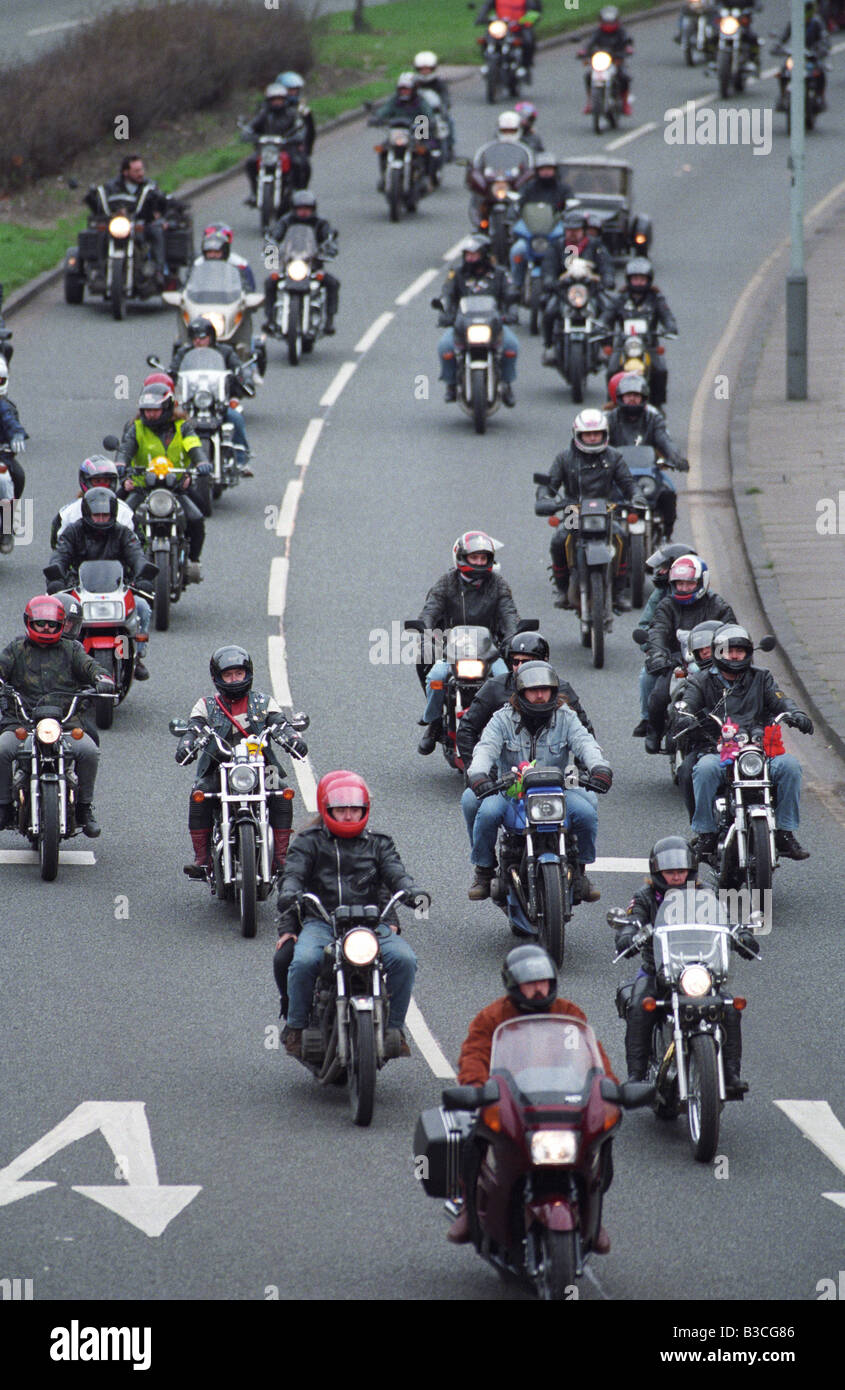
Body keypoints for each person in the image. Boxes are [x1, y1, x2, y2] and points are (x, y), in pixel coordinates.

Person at [447, 944, 616, 1247]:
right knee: (471, 1136)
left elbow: (593, 1057)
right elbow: (474, 1056)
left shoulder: (569, 1013)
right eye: (530, 983)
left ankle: (593, 1212)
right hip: (512, 1103)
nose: (539, 989)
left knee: (602, 1140)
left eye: (544, 982)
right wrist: (476, 1089)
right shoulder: (491, 1017)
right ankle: (469, 1206)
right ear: (514, 984)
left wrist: (608, 1091)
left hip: (562, 1103)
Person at [274, 770, 423, 1059]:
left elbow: (395, 874)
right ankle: (296, 1028)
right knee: (303, 961)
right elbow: (292, 876)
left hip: (369, 925)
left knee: (405, 959)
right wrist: (289, 895)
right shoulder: (308, 842)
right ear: (326, 809)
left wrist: (410, 891)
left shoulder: (379, 843)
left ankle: (394, 1030)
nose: (348, 815)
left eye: (354, 809)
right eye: (341, 809)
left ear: (365, 809)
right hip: (323, 922)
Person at [611, 837, 758, 1094]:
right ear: (657, 872)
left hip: (699, 970)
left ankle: (731, 1074)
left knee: (730, 1009)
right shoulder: (645, 897)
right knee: (639, 1007)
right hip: (658, 971)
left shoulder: (705, 894)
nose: (677, 877)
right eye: (670, 872)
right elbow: (630, 923)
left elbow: (724, 919)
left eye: (681, 871)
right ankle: (636, 1077)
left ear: (691, 871)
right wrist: (630, 935)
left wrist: (740, 934)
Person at [465, 660, 612, 903]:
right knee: (488, 813)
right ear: (521, 692)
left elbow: (586, 743)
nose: (540, 695)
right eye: (533, 690)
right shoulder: (501, 719)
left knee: (586, 813)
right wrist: (479, 774)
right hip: (512, 792)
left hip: (559, 789)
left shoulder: (566, 717)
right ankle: (483, 871)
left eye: (545, 689)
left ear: (554, 691)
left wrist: (600, 767)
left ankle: (580, 873)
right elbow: (485, 749)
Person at [674, 624, 814, 860]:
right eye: (729, 651)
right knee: (704, 770)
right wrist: (684, 717)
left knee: (790, 766)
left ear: (748, 652)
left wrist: (795, 714)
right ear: (718, 652)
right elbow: (687, 704)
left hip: (758, 750)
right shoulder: (700, 680)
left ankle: (785, 833)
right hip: (716, 749)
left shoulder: (762, 677)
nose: (735, 655)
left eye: (740, 650)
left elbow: (781, 700)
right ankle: (706, 833)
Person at [174, 645, 306, 878]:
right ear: (218, 678)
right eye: (228, 674)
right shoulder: (206, 705)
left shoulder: (264, 702)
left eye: (238, 674)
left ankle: (280, 858)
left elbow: (280, 723)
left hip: (262, 767)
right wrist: (187, 744)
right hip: (220, 768)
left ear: (248, 674)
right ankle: (202, 859)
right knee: (200, 794)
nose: (234, 679)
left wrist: (292, 738)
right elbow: (193, 728)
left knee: (283, 792)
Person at [0, 594, 114, 835]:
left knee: (89, 751)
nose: (46, 627)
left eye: (51, 623)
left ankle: (84, 807)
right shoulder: (16, 648)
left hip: (64, 721)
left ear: (61, 624)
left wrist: (101, 678)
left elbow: (91, 666)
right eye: (41, 623)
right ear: (29, 621)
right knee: (2, 749)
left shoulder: (71, 649)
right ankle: (3, 807)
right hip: (21, 721)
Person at [416, 530, 520, 753]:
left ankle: (510, 730)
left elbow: (509, 614)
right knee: (435, 676)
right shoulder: (446, 583)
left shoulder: (498, 584)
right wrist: (425, 631)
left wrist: (512, 638)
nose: (479, 563)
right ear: (461, 557)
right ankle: (434, 724)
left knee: (506, 682)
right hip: (452, 651)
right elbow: (430, 611)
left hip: (489, 652)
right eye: (475, 558)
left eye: (483, 558)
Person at [535, 408, 645, 614]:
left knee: (621, 536)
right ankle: (561, 588)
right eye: (588, 434)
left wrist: (636, 497)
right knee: (559, 539)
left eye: (597, 434)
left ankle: (619, 592)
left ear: (604, 434)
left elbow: (629, 484)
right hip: (573, 512)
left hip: (606, 511)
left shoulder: (614, 457)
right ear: (578, 434)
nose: (592, 438)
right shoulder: (564, 458)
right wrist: (545, 498)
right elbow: (549, 485)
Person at [47, 488, 153, 681]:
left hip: (117, 589)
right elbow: (60, 555)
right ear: (87, 513)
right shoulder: (73, 532)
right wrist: (56, 578)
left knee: (142, 607)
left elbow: (136, 554)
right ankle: (56, 658)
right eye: (97, 515)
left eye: (105, 515)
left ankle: (136, 656)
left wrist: (144, 575)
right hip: (80, 588)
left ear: (112, 514)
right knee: (55, 614)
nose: (101, 519)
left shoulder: (122, 532)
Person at [456, 630, 595, 772]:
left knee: (588, 796)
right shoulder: (494, 688)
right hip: (505, 782)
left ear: (544, 661)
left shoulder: (563, 689)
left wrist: (583, 772)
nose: (520, 666)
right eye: (516, 661)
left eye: (527, 661)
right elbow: (467, 729)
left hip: (553, 781)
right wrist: (479, 771)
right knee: (469, 795)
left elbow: (585, 734)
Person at [115, 380, 211, 581]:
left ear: (167, 407)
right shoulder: (136, 428)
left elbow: (195, 447)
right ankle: (120, 562)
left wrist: (201, 462)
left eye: (155, 410)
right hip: (143, 487)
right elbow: (126, 449)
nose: (150, 414)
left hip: (176, 487)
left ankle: (192, 561)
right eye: (146, 410)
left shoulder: (183, 427)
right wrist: (121, 464)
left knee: (197, 518)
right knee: (121, 520)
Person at [643, 554, 735, 752]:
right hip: (677, 664)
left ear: (701, 582)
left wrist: (729, 658)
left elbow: (732, 634)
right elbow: (657, 630)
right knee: (658, 696)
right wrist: (658, 655)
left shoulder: (719, 606)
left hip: (714, 665)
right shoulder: (667, 606)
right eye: (679, 583)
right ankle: (654, 731)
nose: (683, 588)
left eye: (689, 583)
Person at [605, 371, 689, 538]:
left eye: (636, 395)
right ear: (620, 397)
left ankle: (666, 535)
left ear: (644, 397)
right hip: (616, 475)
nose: (632, 399)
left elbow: (664, 440)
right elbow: (601, 444)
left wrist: (675, 458)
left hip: (647, 472)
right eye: (628, 395)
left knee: (668, 493)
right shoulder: (609, 419)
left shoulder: (653, 419)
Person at [436, 236, 519, 406]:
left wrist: (511, 312)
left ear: (484, 254)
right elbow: (447, 294)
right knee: (445, 347)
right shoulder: (457, 273)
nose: (470, 258)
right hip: (463, 325)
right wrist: (444, 311)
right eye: (467, 254)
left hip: (494, 325)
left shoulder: (500, 273)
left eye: (474, 255)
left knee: (511, 346)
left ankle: (506, 383)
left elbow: (511, 293)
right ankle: (451, 384)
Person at [168, 317, 253, 473]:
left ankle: (242, 460)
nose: (199, 342)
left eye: (203, 338)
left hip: (216, 402)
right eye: (195, 339)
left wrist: (240, 377)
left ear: (211, 337)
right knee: (170, 423)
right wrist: (169, 376)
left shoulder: (225, 352)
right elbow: (173, 371)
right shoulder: (183, 353)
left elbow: (238, 369)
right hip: (190, 402)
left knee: (236, 418)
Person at [632, 541, 699, 737]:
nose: (659, 572)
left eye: (663, 568)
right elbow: (645, 626)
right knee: (646, 676)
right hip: (667, 655)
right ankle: (648, 720)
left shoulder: (711, 601)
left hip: (698, 657)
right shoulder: (660, 596)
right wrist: (652, 648)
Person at [602, 258, 678, 409]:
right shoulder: (619, 299)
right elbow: (606, 318)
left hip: (649, 345)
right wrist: (604, 331)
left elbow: (667, 317)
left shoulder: (656, 299)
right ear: (629, 280)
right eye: (635, 279)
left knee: (660, 370)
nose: (638, 283)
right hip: (623, 346)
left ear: (648, 280)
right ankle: (611, 401)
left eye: (642, 279)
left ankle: (658, 404)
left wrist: (669, 328)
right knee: (611, 369)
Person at [540, 208, 615, 358]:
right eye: (569, 230)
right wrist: (550, 281)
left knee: (609, 308)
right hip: (564, 291)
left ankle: (605, 346)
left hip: (591, 289)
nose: (572, 233)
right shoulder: (557, 246)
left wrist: (607, 280)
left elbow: (606, 267)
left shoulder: (596, 246)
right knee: (549, 311)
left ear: (584, 230)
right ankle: (549, 345)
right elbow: (548, 268)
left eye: (577, 230)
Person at [263, 191, 340, 336]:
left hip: (313, 266)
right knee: (270, 281)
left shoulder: (320, 222)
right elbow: (274, 237)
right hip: (290, 264)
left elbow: (329, 239)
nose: (304, 212)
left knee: (332, 283)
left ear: (313, 209)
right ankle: (270, 320)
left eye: (307, 208)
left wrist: (329, 248)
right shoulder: (286, 221)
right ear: (294, 208)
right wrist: (270, 248)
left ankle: (329, 321)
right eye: (300, 208)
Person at [85, 154, 169, 278]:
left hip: (141, 223)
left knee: (156, 231)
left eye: (141, 169)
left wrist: (158, 214)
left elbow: (160, 201)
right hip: (117, 224)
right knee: (99, 234)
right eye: (136, 171)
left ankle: (159, 270)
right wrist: (92, 197)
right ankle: (98, 269)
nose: (141, 173)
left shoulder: (149, 186)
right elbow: (100, 200)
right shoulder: (111, 187)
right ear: (126, 172)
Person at [243, 83, 310, 204]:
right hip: (267, 150)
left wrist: (297, 136)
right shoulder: (264, 114)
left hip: (287, 148)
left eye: (279, 99)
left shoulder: (291, 114)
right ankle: (254, 192)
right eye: (274, 99)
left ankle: (298, 192)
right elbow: (251, 127)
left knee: (298, 163)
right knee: (250, 163)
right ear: (269, 101)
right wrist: (247, 133)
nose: (277, 102)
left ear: (284, 100)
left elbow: (300, 127)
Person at [367, 73, 436, 190]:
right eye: (402, 89)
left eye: (407, 89)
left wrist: (429, 122)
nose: (404, 92)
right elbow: (384, 110)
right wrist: (376, 118)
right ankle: (384, 177)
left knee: (426, 150)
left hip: (417, 134)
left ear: (413, 89)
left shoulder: (420, 101)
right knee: (382, 149)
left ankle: (425, 177)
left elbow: (428, 115)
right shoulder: (395, 100)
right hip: (398, 134)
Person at [51, 456, 135, 548]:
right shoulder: (67, 513)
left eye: (106, 481)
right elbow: (57, 547)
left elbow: (138, 547)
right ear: (85, 481)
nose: (102, 486)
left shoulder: (126, 512)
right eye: (97, 481)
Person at [581, 5, 634, 115]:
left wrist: (627, 49)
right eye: (606, 22)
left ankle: (625, 103)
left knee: (624, 78)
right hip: (601, 60)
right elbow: (590, 42)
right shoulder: (598, 32)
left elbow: (627, 42)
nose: (608, 25)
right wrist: (584, 51)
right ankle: (590, 102)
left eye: (611, 22)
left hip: (616, 59)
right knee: (588, 76)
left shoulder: (621, 32)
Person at [0, 354, 28, 553]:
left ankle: (7, 526)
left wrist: (17, 435)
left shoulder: (4, 407)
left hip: (1, 456)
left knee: (15, 477)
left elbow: (11, 422)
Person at [777, 2, 829, 105]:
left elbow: (825, 39)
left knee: (820, 71)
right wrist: (778, 46)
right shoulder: (794, 22)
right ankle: (783, 95)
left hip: (811, 56)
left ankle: (819, 96)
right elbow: (783, 37)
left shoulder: (817, 23)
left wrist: (821, 49)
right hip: (796, 56)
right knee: (783, 71)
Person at [475, 0, 542, 77]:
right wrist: (481, 17)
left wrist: (523, 21)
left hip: (519, 27)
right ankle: (488, 62)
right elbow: (486, 6)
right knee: (485, 39)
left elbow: (534, 11)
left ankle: (525, 65)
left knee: (528, 41)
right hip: (502, 27)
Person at [413, 51, 456, 157]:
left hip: (435, 112)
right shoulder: (413, 82)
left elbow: (445, 97)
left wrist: (444, 107)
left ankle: (449, 146)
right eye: (421, 69)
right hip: (419, 114)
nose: (424, 72)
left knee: (449, 122)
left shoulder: (439, 83)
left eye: (427, 69)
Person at [194, 223, 256, 292]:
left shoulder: (240, 265)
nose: (212, 255)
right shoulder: (197, 264)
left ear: (225, 251)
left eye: (217, 252)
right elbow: (188, 289)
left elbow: (249, 290)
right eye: (209, 252)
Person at [275, 71, 316, 155]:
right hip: (273, 147)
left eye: (296, 90)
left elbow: (310, 131)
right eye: (290, 90)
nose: (294, 93)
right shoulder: (271, 107)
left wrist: (306, 148)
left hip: (294, 147)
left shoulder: (302, 109)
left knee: (302, 164)